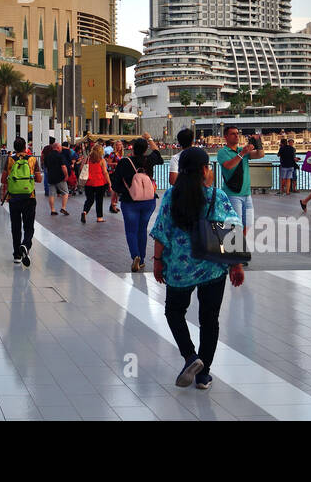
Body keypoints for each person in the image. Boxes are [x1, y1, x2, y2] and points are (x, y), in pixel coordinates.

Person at [151, 145, 244, 391]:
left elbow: (162, 231)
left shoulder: (171, 195)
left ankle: (191, 357)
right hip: (212, 268)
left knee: (174, 312)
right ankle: (204, 375)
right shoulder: (217, 196)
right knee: (209, 320)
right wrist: (236, 265)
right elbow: (231, 229)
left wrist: (157, 262)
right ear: (204, 169)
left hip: (179, 269)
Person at [112, 137, 161, 273]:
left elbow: (115, 183)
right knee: (142, 229)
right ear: (146, 149)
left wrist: (122, 192)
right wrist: (150, 139)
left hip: (130, 201)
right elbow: (157, 153)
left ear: (132, 148)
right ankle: (143, 260)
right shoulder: (149, 160)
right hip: (148, 201)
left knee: (131, 230)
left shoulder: (124, 162)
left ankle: (136, 256)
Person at [0, 137, 41, 268]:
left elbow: (3, 179)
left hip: (14, 197)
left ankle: (17, 255)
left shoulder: (10, 159)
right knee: (29, 226)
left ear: (15, 147)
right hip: (29, 196)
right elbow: (39, 179)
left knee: (16, 226)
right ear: (25, 147)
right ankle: (26, 245)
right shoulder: (32, 159)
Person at [217, 126, 264, 235]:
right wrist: (242, 153)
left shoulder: (241, 150)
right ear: (226, 137)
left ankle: (239, 247)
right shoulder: (223, 152)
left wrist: (258, 142)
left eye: (237, 133)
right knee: (236, 225)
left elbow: (260, 155)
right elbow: (228, 166)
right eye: (233, 134)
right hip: (233, 194)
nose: (236, 136)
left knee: (248, 225)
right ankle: (236, 247)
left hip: (247, 194)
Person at [80, 142, 111, 223]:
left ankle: (84, 212)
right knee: (99, 200)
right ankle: (99, 217)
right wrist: (109, 182)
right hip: (100, 182)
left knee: (89, 199)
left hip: (88, 182)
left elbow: (81, 168)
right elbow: (105, 172)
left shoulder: (87, 158)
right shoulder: (102, 160)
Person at [41, 136, 70, 216]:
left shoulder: (48, 156)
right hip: (60, 177)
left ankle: (53, 210)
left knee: (52, 194)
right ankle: (63, 208)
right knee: (65, 192)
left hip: (51, 177)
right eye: (60, 147)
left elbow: (45, 166)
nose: (61, 149)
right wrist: (66, 175)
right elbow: (63, 167)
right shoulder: (60, 156)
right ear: (57, 147)